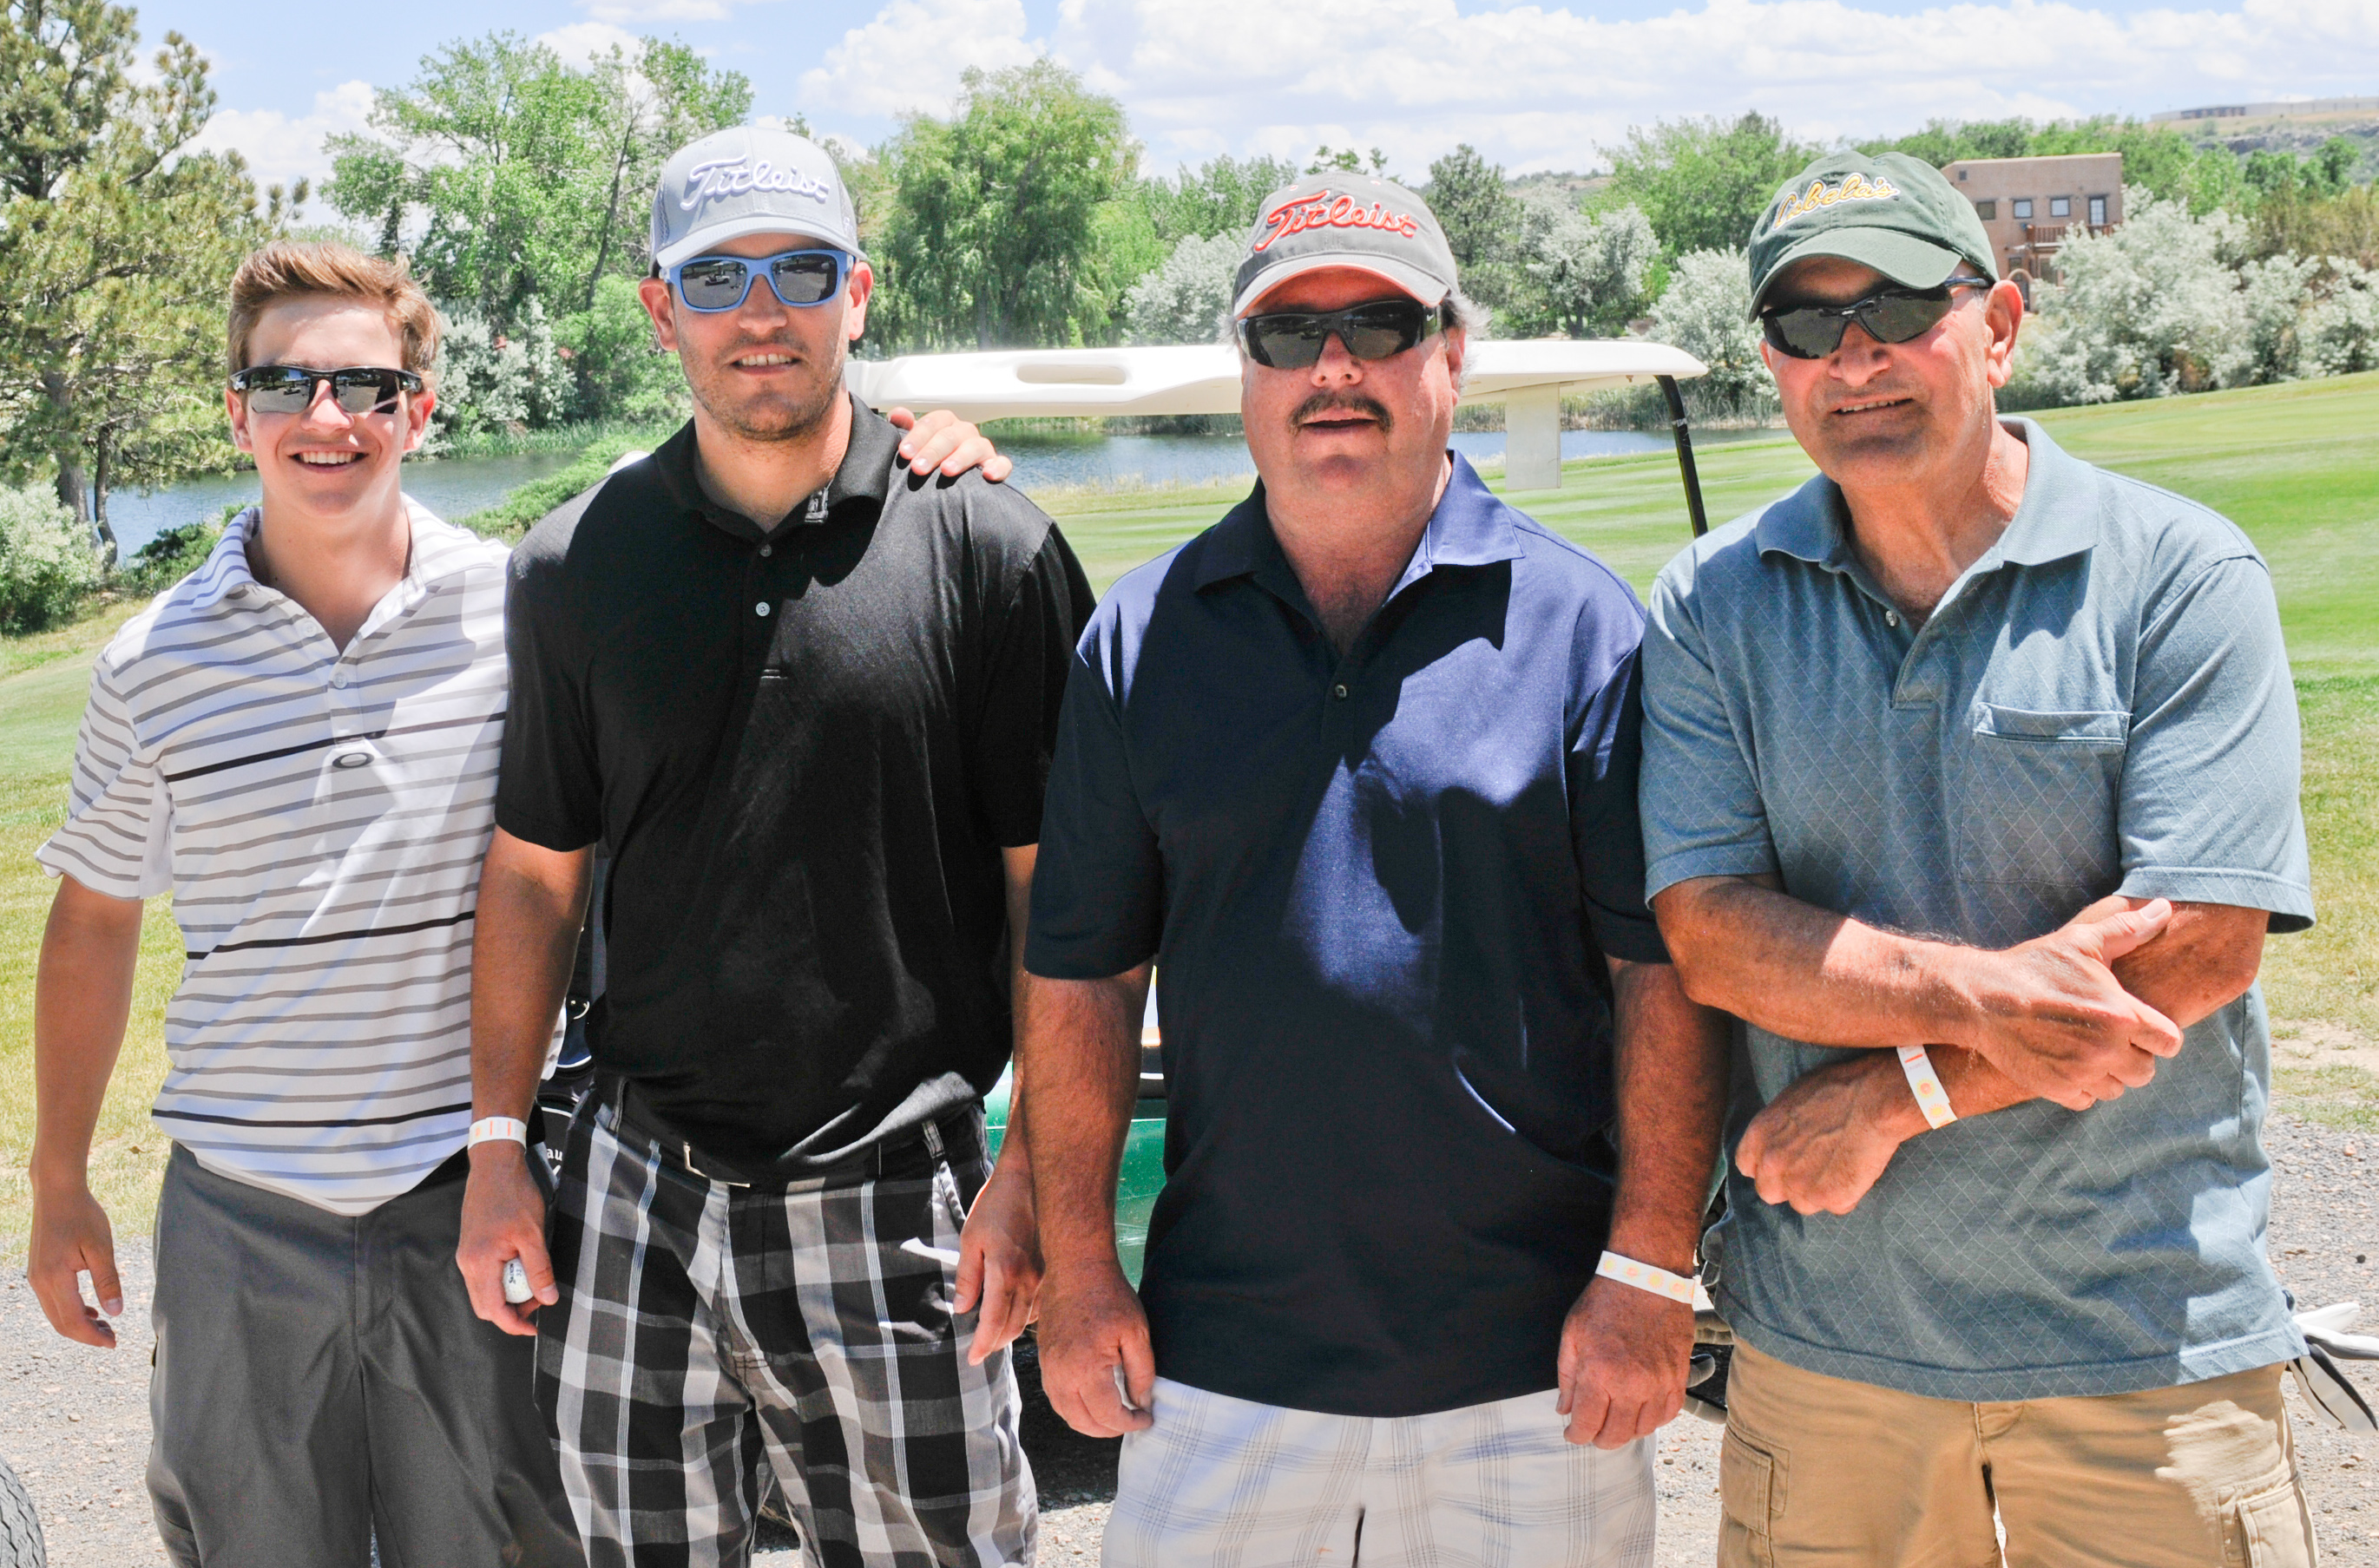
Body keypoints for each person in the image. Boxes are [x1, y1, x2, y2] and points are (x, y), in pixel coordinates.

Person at [23, 238, 1002, 1567]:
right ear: (235, 411)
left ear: (420, 411)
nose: (326, 419)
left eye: (367, 387)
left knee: (510, 1544)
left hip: (477, 1186)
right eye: (283, 385)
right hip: (239, 1200)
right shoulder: (152, 665)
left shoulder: (532, 602)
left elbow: (751, 430)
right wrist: (60, 1175)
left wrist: (919, 446)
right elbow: (94, 923)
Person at [1020, 174, 1727, 1568]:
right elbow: (1082, 979)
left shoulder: (1582, 626)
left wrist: (1649, 1271)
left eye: (1380, 324)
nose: (1333, 366)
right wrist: (1084, 1264)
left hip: (1530, 1363)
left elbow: (1661, 976)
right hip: (1222, 1357)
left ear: (1449, 356)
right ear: (1246, 374)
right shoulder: (1140, 637)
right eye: (1290, 335)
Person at [1640, 151, 2321, 1566]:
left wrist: (1895, 1093)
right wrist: (1991, 993)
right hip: (1830, 1358)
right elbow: (1711, 930)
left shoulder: (2180, 576)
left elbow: (2195, 950)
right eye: (1806, 325)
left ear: (1998, 324)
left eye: (1895, 308)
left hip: (2148, 1343)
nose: (1854, 357)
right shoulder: (1711, 604)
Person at [456, 123, 1091, 1568]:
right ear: (657, 304)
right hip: (637, 1190)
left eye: (800, 270)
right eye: (718, 274)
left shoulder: (987, 547)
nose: (762, 311)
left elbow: (1069, 906)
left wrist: (1036, 1173)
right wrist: (501, 1146)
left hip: (897, 1197)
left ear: (857, 296)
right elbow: (535, 875)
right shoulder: (572, 565)